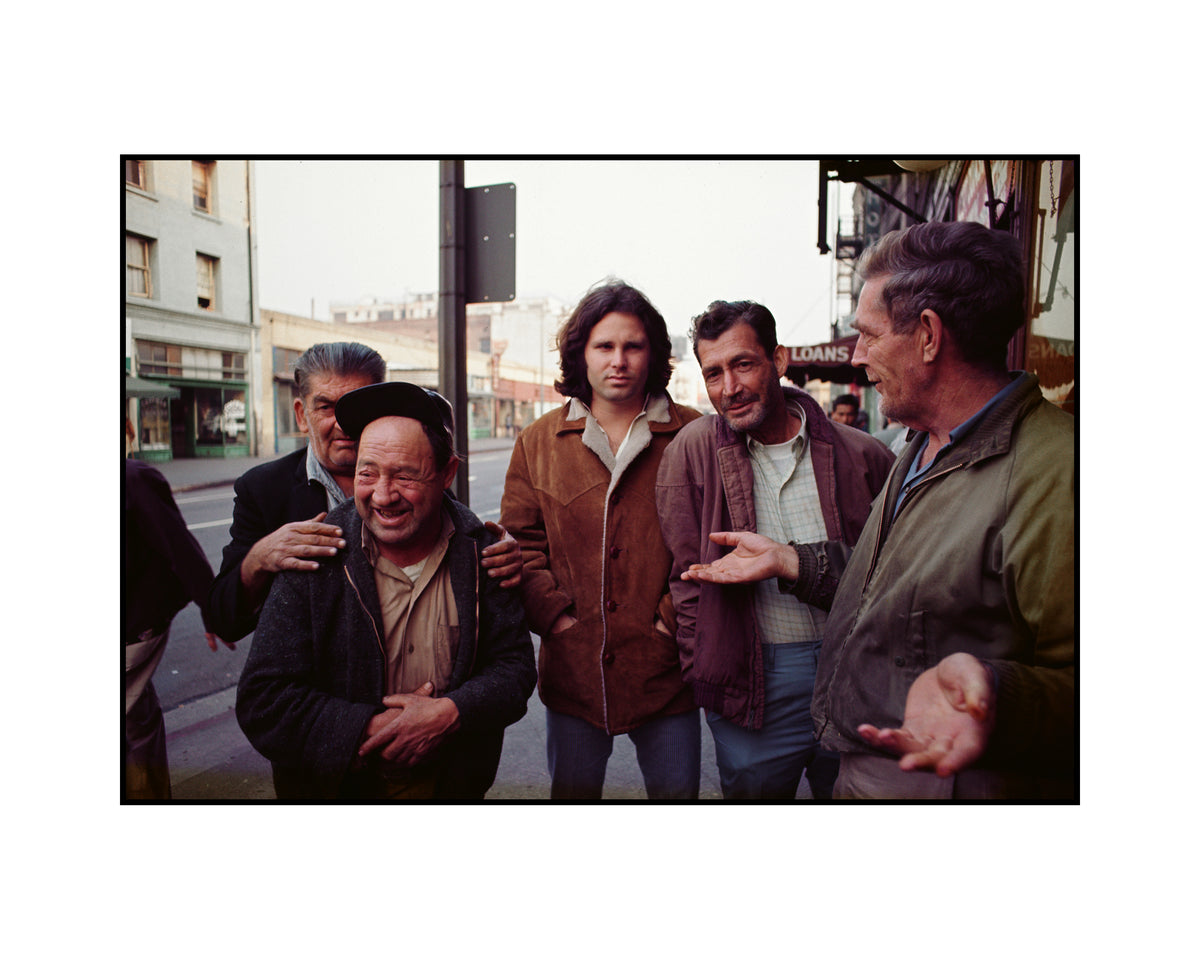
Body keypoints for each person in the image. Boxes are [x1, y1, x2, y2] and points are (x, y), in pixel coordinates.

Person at [681, 221, 1076, 799]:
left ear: (928, 336)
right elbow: (895, 588)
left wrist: (1000, 695)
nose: (858, 354)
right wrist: (792, 560)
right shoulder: (919, 445)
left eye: (868, 334)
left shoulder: (1058, 474)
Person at [236, 382, 536, 799]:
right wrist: (370, 730)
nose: (382, 494)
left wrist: (452, 713)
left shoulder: (484, 553)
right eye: (367, 472)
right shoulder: (313, 557)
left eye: (405, 476)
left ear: (447, 473)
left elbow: (515, 670)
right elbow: (263, 702)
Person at [655, 300, 894, 800]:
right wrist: (707, 670)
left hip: (854, 670)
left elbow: (895, 570)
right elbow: (686, 576)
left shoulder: (864, 454)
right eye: (713, 373)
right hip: (753, 677)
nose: (729, 388)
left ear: (778, 361)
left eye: (742, 364)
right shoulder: (692, 451)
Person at [500, 279, 703, 799]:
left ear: (653, 353)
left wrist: (668, 621)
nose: (619, 360)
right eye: (604, 346)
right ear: (581, 354)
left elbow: (712, 541)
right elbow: (520, 544)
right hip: (574, 673)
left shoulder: (694, 433)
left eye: (633, 346)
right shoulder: (539, 440)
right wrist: (557, 620)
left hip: (666, 672)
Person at [207, 341, 521, 644]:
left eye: (352, 405)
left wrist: (498, 553)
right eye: (327, 407)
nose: (342, 424)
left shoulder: (417, 480)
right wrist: (259, 560)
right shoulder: (263, 490)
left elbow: (463, 549)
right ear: (302, 415)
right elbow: (224, 621)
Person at [123, 459, 232, 799]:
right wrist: (214, 610)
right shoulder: (133, 477)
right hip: (133, 626)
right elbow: (178, 547)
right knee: (138, 724)